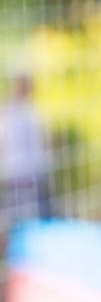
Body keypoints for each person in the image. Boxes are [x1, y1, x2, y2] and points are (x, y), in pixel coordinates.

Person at [0, 74, 52, 225]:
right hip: (16, 174)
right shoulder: (9, 112)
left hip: (30, 174)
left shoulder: (31, 111)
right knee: (16, 217)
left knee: (30, 216)